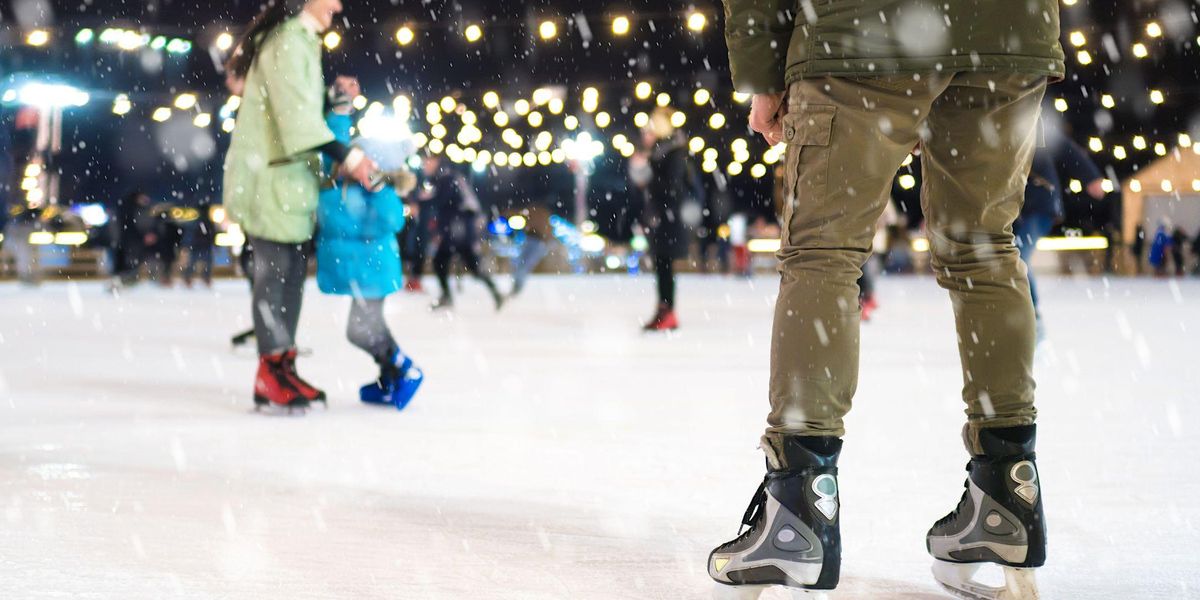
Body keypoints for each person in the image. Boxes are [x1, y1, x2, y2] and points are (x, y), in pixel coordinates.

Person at [709, 1, 1063, 598]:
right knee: (985, 250)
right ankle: (1008, 488)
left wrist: (763, 74)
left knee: (822, 255)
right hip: (1008, 29)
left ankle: (800, 502)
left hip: (861, 29)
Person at [223, 0, 379, 414]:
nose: (338, 5)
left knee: (289, 276)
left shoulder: (300, 41)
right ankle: (271, 371)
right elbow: (298, 124)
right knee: (275, 279)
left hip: (287, 182)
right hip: (272, 181)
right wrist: (351, 158)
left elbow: (299, 113)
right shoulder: (289, 42)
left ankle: (280, 367)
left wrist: (333, 100)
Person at [315, 77, 424, 410]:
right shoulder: (338, 179)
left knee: (360, 331)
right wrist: (341, 108)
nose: (350, 162)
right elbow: (334, 141)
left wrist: (377, 187)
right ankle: (390, 374)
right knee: (367, 327)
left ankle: (405, 368)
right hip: (357, 269)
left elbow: (393, 221)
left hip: (372, 269)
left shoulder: (379, 193)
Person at [1015, 137, 1105, 339]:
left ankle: (1033, 319)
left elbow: (1064, 146)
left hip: (1039, 203)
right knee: (1007, 257)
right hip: (1013, 208)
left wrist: (1089, 175)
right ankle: (1016, 316)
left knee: (1016, 257)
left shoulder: (1024, 119)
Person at [630, 107, 695, 332]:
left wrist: (649, 172)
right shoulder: (662, 151)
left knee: (664, 265)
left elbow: (672, 188)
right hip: (661, 217)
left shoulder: (674, 152)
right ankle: (663, 310)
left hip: (669, 219)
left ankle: (667, 312)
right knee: (661, 265)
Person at [422, 154, 503, 311]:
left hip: (457, 230)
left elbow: (443, 202)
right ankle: (495, 292)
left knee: (441, 261)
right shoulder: (449, 176)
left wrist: (422, 201)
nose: (425, 166)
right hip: (460, 230)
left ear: (436, 162)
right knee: (469, 265)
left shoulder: (446, 178)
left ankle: (447, 296)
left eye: (427, 163)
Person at [183, 203, 217, 288]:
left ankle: (190, 278)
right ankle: (203, 278)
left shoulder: (198, 222)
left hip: (199, 246)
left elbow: (190, 235)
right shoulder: (207, 222)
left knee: (195, 263)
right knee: (202, 263)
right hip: (201, 246)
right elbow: (213, 235)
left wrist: (187, 244)